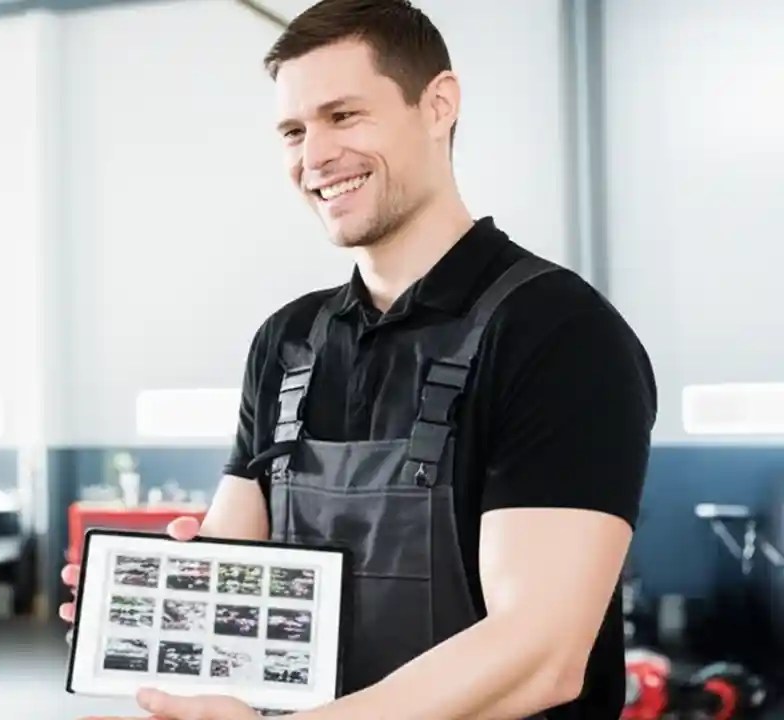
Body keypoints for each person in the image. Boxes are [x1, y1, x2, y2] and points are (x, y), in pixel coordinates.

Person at [65, 1, 656, 718]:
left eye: (343, 116)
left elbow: (540, 655)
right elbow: (232, 561)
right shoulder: (286, 342)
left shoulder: (558, 333)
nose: (314, 158)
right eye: (293, 130)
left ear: (438, 104)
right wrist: (158, 605)